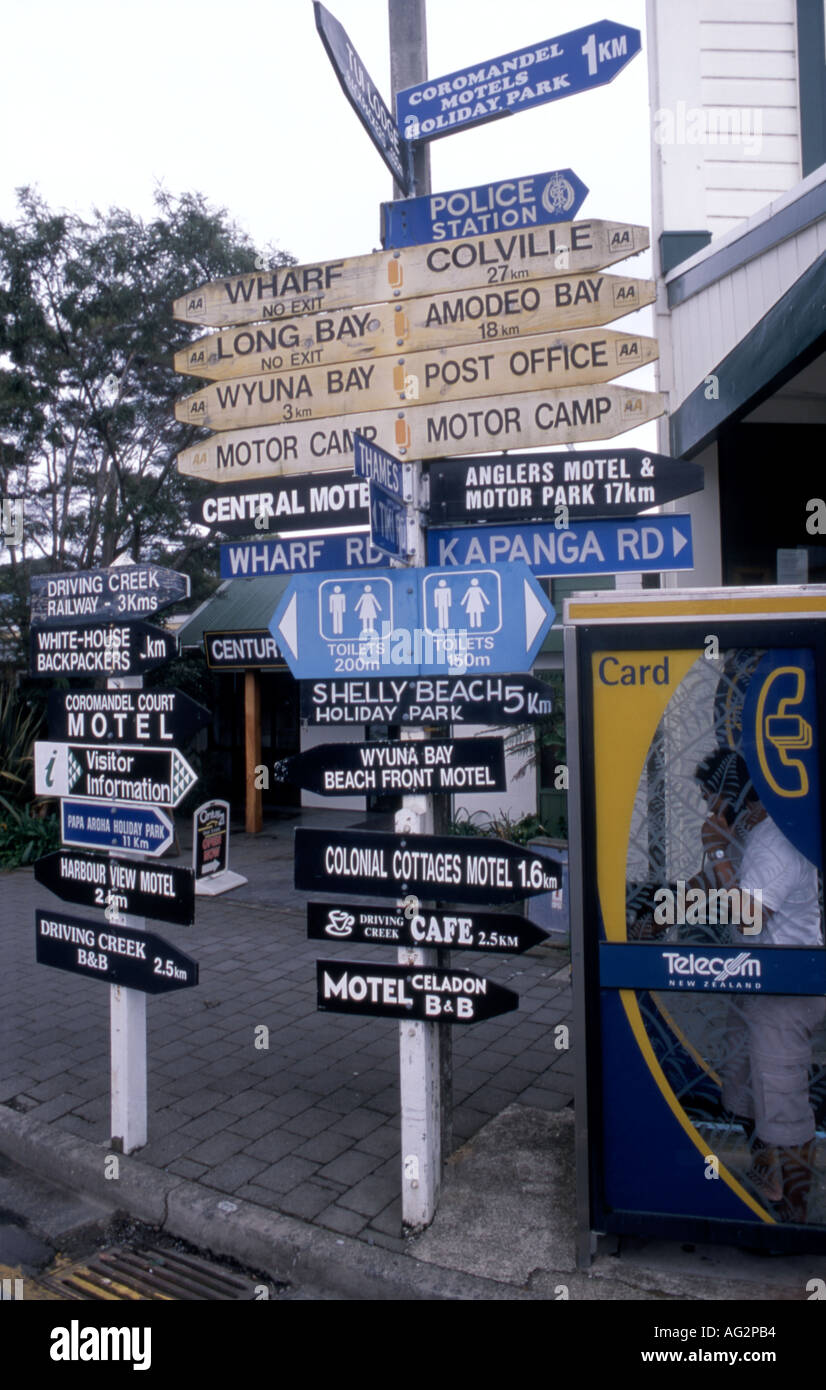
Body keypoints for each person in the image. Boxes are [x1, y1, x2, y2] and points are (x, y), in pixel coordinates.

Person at [692, 749, 824, 1223]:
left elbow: (748, 920)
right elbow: (728, 893)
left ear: (733, 798)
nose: (709, 811)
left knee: (782, 1103)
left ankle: (795, 1215)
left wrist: (719, 852)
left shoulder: (776, 842)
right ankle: (767, 1184)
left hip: (783, 991)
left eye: (712, 800)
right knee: (746, 1092)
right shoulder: (754, 832)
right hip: (753, 983)